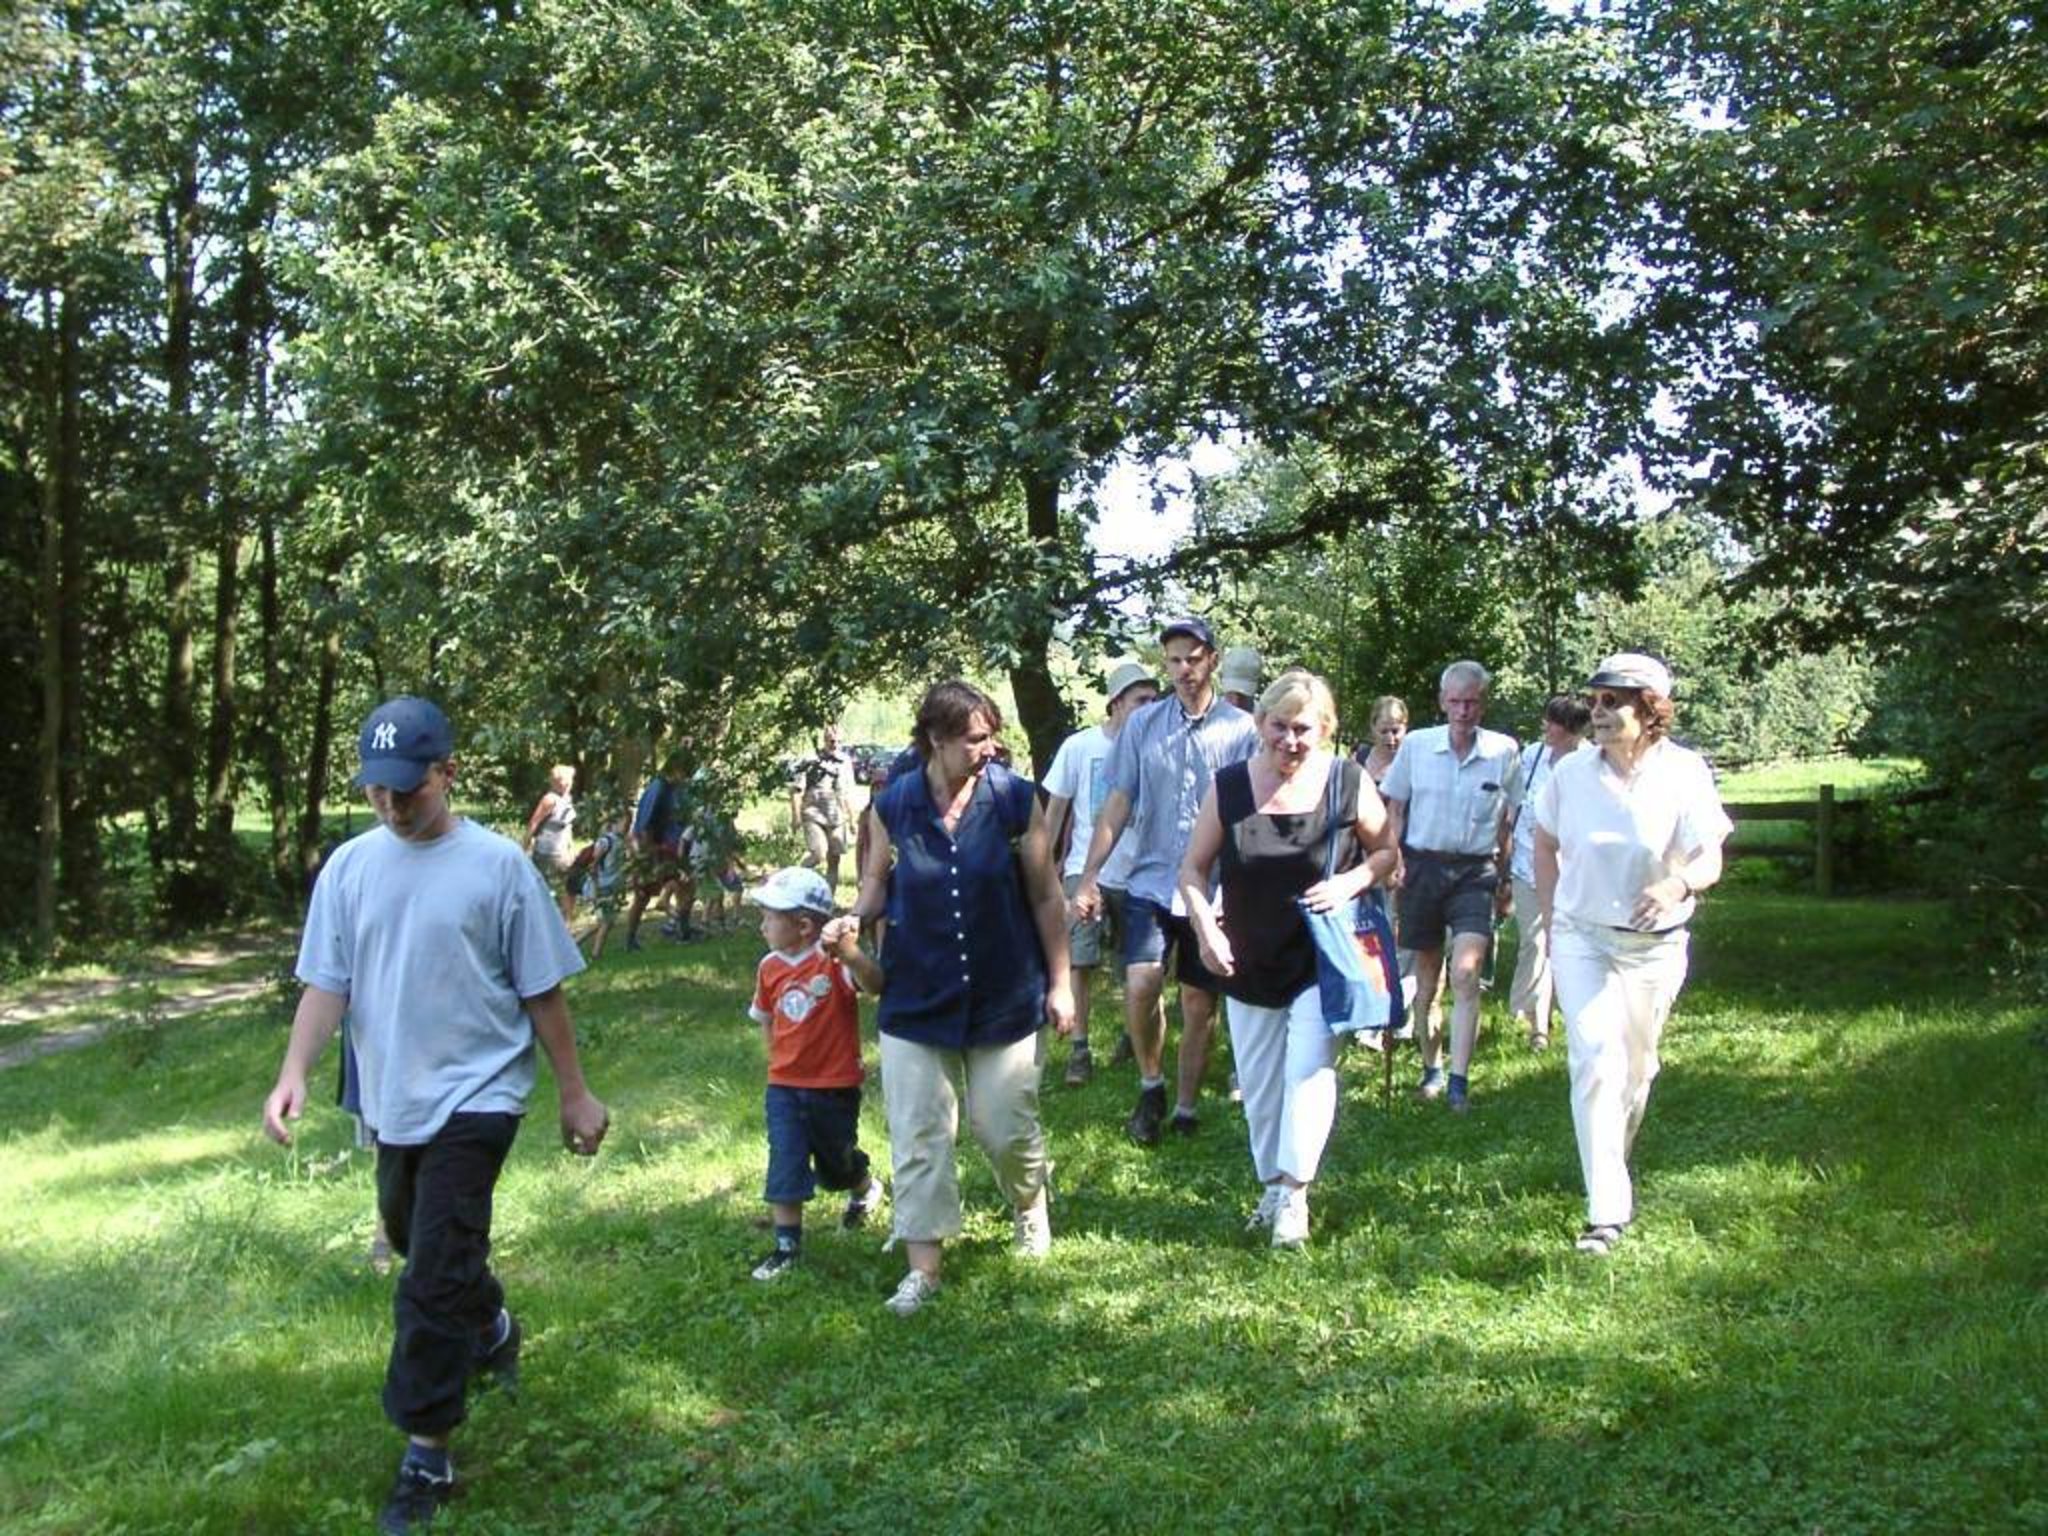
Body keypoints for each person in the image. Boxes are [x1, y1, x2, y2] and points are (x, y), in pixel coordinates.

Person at [261, 696, 608, 1535]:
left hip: (480, 1096)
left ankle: (426, 1454)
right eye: (378, 792)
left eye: (407, 792)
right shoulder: (349, 867)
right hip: (391, 1102)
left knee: (427, 1277)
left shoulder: (496, 868)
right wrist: (293, 1071)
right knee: (419, 1237)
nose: (391, 807)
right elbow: (327, 983)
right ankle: (490, 1324)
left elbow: (541, 990)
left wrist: (572, 1091)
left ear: (446, 774)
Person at [854, 680, 1074, 1316]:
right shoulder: (892, 804)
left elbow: (1044, 895)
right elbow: (873, 887)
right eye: (976, 739)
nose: (989, 748)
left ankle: (1029, 1203)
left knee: (1002, 1125)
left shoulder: (1012, 798)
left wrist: (1061, 983)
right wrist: (849, 918)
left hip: (1006, 989)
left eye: (992, 735)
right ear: (936, 740)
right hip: (915, 994)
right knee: (920, 1130)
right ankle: (923, 1267)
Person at [1178, 672, 1396, 1247]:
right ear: (1259, 724)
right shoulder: (1228, 786)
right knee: (1259, 1083)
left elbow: (1387, 852)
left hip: (1321, 957)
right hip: (1245, 955)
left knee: (1308, 1072)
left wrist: (1350, 881)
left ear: (1324, 730)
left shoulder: (1347, 782)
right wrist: (1206, 930)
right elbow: (1193, 868)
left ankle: (1295, 1195)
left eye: (1303, 729)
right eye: (1280, 726)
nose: (1290, 740)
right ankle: (1271, 1184)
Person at [1533, 653, 1731, 1256]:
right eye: (1594, 701)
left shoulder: (1685, 772)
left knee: (1637, 1071)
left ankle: (1607, 1163)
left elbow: (1709, 857)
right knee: (1595, 1060)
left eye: (1612, 701)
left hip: (1655, 945)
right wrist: (1549, 915)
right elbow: (1544, 842)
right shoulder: (1569, 775)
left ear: (1650, 710)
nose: (1598, 711)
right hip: (1582, 937)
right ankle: (1606, 1214)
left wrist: (1676, 885)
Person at [1073, 616, 1258, 1143]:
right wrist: (1089, 876)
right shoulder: (1143, 725)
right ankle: (1150, 1084)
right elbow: (1118, 801)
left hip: (1212, 889)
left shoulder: (1241, 731)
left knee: (1199, 1002)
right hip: (1150, 880)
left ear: (1212, 661)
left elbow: (1249, 818)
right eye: (1174, 660)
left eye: (1193, 659)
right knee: (1141, 980)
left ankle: (1185, 1104)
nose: (1184, 670)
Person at [1379, 660, 1522, 1112]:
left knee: (1465, 972)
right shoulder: (1419, 746)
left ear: (1483, 703)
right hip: (1421, 868)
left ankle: (1459, 1081)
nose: (1463, 711)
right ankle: (1432, 1066)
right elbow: (1395, 809)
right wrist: (1394, 860)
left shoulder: (1504, 751)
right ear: (1443, 703)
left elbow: (1508, 821)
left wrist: (1506, 880)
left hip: (1475, 873)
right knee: (1427, 983)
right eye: (1456, 702)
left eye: (1472, 702)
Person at [745, 866, 886, 1281]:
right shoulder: (769, 967)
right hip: (785, 1087)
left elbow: (875, 984)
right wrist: (776, 1062)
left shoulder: (833, 962)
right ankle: (786, 1247)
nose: (762, 926)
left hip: (834, 1086)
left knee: (834, 1165)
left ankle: (861, 1184)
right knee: (785, 1160)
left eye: (770, 918)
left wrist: (852, 954)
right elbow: (766, 1016)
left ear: (803, 925)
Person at [1040, 658, 1160, 1086]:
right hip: (1083, 871)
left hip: (1141, 873)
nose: (1149, 707)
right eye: (1140, 700)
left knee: (1140, 965)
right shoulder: (1080, 746)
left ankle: (1134, 1036)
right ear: (1116, 703)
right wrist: (1044, 870)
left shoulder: (1157, 747)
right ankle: (1079, 1048)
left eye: (1153, 699)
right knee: (1081, 962)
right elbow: (1055, 811)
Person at [1504, 696, 1592, 1049]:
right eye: (1548, 720)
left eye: (1556, 723)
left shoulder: (1589, 763)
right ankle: (1533, 1023)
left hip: (1574, 872)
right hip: (1527, 863)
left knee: (1572, 943)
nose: (1548, 727)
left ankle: (1577, 1016)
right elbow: (1513, 806)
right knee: (1535, 941)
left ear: (1574, 730)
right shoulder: (1532, 756)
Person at [623, 754, 685, 952]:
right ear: (675, 770)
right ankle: (630, 939)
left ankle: (682, 930)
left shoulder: (671, 788)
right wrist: (650, 852)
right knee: (643, 894)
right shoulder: (658, 789)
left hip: (666, 846)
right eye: (683, 773)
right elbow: (646, 823)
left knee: (682, 885)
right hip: (651, 849)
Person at [789, 724, 859, 892]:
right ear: (824, 740)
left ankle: (828, 901)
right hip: (813, 813)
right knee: (818, 854)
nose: (834, 744)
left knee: (834, 859)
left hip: (836, 816)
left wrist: (852, 819)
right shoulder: (811, 760)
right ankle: (792, 884)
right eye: (831, 740)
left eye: (838, 741)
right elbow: (795, 790)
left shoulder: (845, 761)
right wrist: (796, 817)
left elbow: (847, 792)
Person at [572, 809, 630, 961]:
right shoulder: (606, 841)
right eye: (625, 823)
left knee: (604, 923)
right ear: (614, 824)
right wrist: (596, 888)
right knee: (606, 922)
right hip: (602, 886)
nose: (627, 827)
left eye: (629, 824)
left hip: (612, 886)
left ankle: (574, 944)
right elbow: (594, 866)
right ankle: (595, 954)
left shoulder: (622, 841)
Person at [522, 765, 577, 921]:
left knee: (568, 888)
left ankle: (565, 923)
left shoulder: (567, 798)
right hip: (546, 851)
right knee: (547, 888)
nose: (567, 784)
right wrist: (523, 848)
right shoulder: (549, 799)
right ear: (555, 782)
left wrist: (571, 848)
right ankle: (544, 920)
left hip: (563, 852)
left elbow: (568, 826)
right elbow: (533, 823)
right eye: (562, 781)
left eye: (569, 780)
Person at [1218, 646, 1263, 713]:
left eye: (1242, 696)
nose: (1236, 702)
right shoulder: (1210, 716)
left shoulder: (1263, 719)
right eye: (1231, 694)